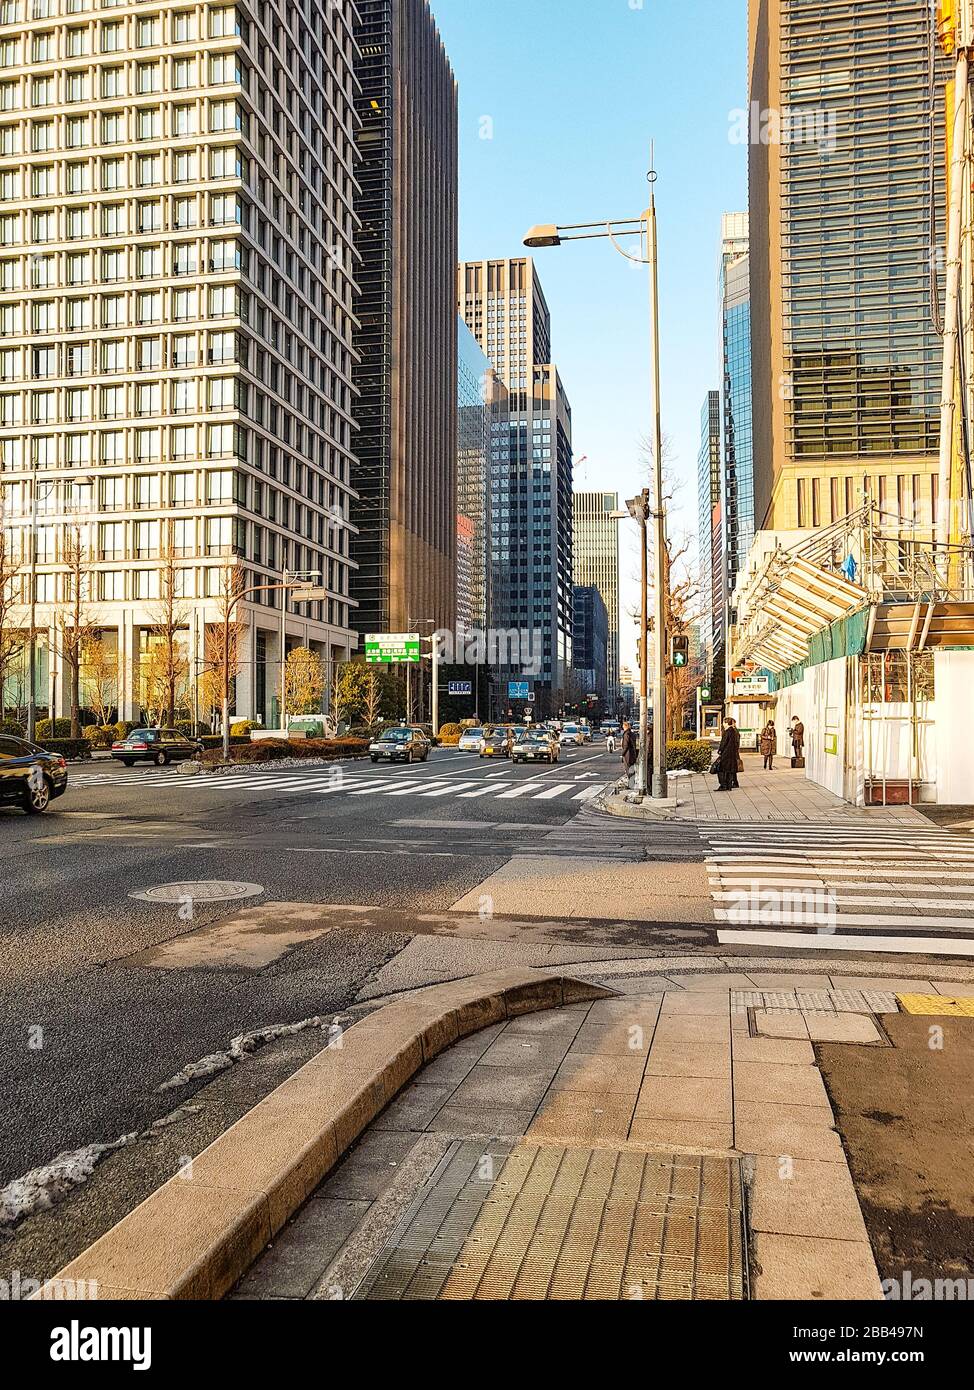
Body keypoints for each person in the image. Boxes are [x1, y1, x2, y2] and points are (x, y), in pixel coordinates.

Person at [715, 717, 741, 791]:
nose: (723, 724)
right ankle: (729, 785)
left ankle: (723, 785)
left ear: (726, 723)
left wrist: (720, 750)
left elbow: (724, 743)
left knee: (721, 769)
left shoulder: (727, 732)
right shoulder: (734, 731)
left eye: (723, 722)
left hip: (726, 753)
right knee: (729, 770)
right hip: (732, 753)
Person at [620, 719, 636, 786]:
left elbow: (626, 745)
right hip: (632, 753)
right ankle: (632, 783)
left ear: (625, 727)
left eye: (623, 727)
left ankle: (631, 784)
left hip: (627, 754)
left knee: (628, 769)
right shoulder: (632, 734)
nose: (623, 728)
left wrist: (622, 753)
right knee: (631, 769)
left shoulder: (626, 734)